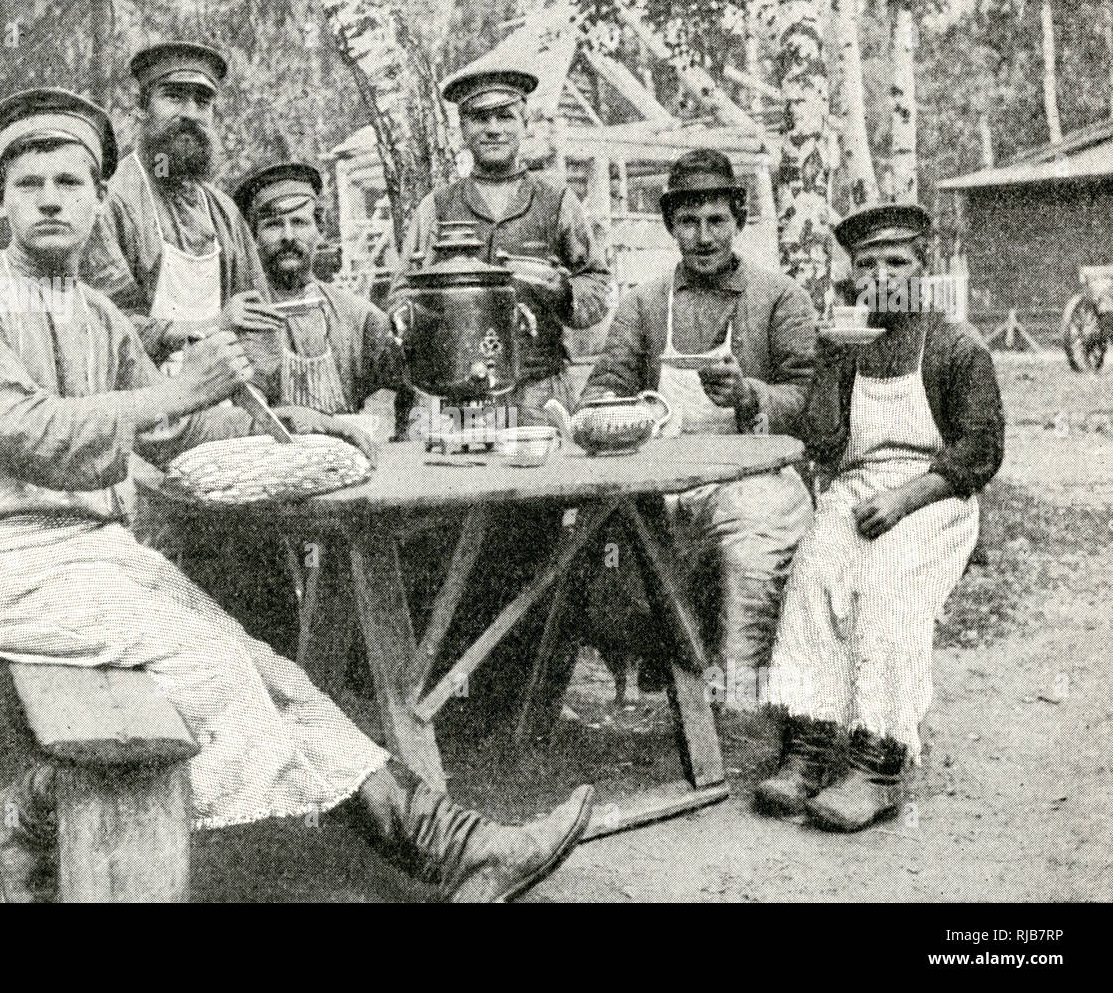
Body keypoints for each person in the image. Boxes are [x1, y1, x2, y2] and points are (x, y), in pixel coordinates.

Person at [0, 87, 593, 903]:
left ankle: (457, 850)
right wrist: (182, 392)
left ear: (96, 199)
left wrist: (287, 419)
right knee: (219, 674)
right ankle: (35, 815)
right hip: (0, 561)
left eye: (70, 183)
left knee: (274, 674)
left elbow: (171, 434)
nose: (50, 199)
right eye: (29, 183)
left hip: (100, 556)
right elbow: (25, 431)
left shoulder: (100, 319)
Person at [757, 202, 1005, 832]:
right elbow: (826, 445)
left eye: (898, 261)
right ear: (853, 278)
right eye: (867, 265)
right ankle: (807, 748)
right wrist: (825, 363)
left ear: (924, 267)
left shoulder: (956, 346)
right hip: (857, 484)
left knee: (889, 586)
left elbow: (978, 453)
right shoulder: (851, 345)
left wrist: (903, 500)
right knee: (815, 574)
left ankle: (877, 764)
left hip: (936, 493)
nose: (883, 275)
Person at [580, 149, 816, 698]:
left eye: (716, 221)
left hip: (750, 476)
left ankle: (740, 687)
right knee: (597, 553)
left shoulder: (780, 298)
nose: (704, 236)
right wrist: (632, 412)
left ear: (739, 220)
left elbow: (804, 398)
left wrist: (749, 394)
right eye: (688, 222)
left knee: (751, 548)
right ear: (670, 226)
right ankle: (661, 668)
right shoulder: (644, 303)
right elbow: (602, 388)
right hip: (658, 483)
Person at [389, 66, 611, 418]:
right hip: (456, 395)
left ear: (524, 123)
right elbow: (402, 292)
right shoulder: (436, 207)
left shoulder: (557, 202)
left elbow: (597, 286)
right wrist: (415, 317)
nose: (493, 129)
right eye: (479, 118)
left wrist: (565, 293)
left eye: (505, 117)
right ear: (463, 128)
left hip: (539, 391)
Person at [81, 40, 280, 372]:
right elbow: (106, 327)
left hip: (221, 404)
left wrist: (250, 404)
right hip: (139, 406)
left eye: (202, 102)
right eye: (173, 97)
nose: (189, 113)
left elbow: (260, 331)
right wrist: (213, 324)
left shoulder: (223, 213)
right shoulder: (111, 202)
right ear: (141, 109)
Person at [231, 161, 403, 416]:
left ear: (320, 228)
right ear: (254, 236)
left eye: (299, 222)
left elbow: (412, 381)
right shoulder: (241, 316)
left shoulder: (357, 315)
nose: (288, 236)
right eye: (273, 225)